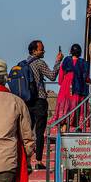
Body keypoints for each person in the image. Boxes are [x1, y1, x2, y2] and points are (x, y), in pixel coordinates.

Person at [26, 40, 62, 169]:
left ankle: (26, 160)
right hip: (39, 100)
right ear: (34, 51)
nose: (43, 51)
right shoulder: (39, 63)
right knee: (40, 132)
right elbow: (52, 76)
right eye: (41, 49)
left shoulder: (24, 63)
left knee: (27, 132)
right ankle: (39, 161)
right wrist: (58, 61)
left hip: (27, 101)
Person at [52, 44, 88, 128]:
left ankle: (63, 123)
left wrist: (61, 83)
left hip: (66, 84)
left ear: (71, 51)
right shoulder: (83, 62)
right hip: (78, 85)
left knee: (65, 103)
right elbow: (85, 76)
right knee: (75, 103)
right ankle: (74, 122)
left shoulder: (66, 60)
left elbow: (61, 73)